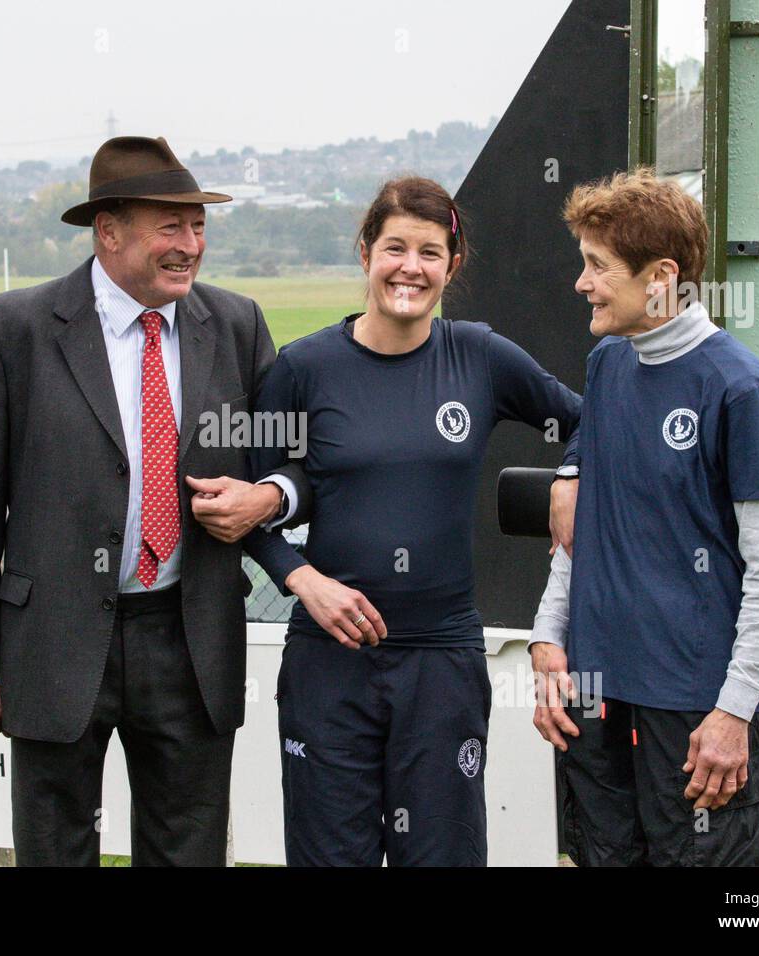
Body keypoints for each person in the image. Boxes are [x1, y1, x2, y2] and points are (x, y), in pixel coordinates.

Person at [0, 136, 312, 866]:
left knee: (188, 853)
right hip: (53, 642)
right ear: (108, 231)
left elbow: (295, 453)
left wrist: (269, 496)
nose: (190, 245)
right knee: (54, 851)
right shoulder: (12, 329)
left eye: (198, 226)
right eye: (169, 226)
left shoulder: (236, 325)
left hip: (190, 637)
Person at [244, 176, 581, 866]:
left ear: (451, 267)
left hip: (441, 663)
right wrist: (303, 580)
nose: (411, 267)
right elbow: (253, 504)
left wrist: (571, 476)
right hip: (327, 665)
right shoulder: (301, 368)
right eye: (395, 247)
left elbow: (590, 419)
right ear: (365, 251)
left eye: (430, 253)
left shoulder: (480, 355)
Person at [529, 168, 759, 866]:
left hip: (696, 714)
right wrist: (548, 641)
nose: (581, 284)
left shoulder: (737, 388)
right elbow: (580, 530)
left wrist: (735, 711)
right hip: (591, 699)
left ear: (661, 277)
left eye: (597, 266)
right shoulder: (607, 364)